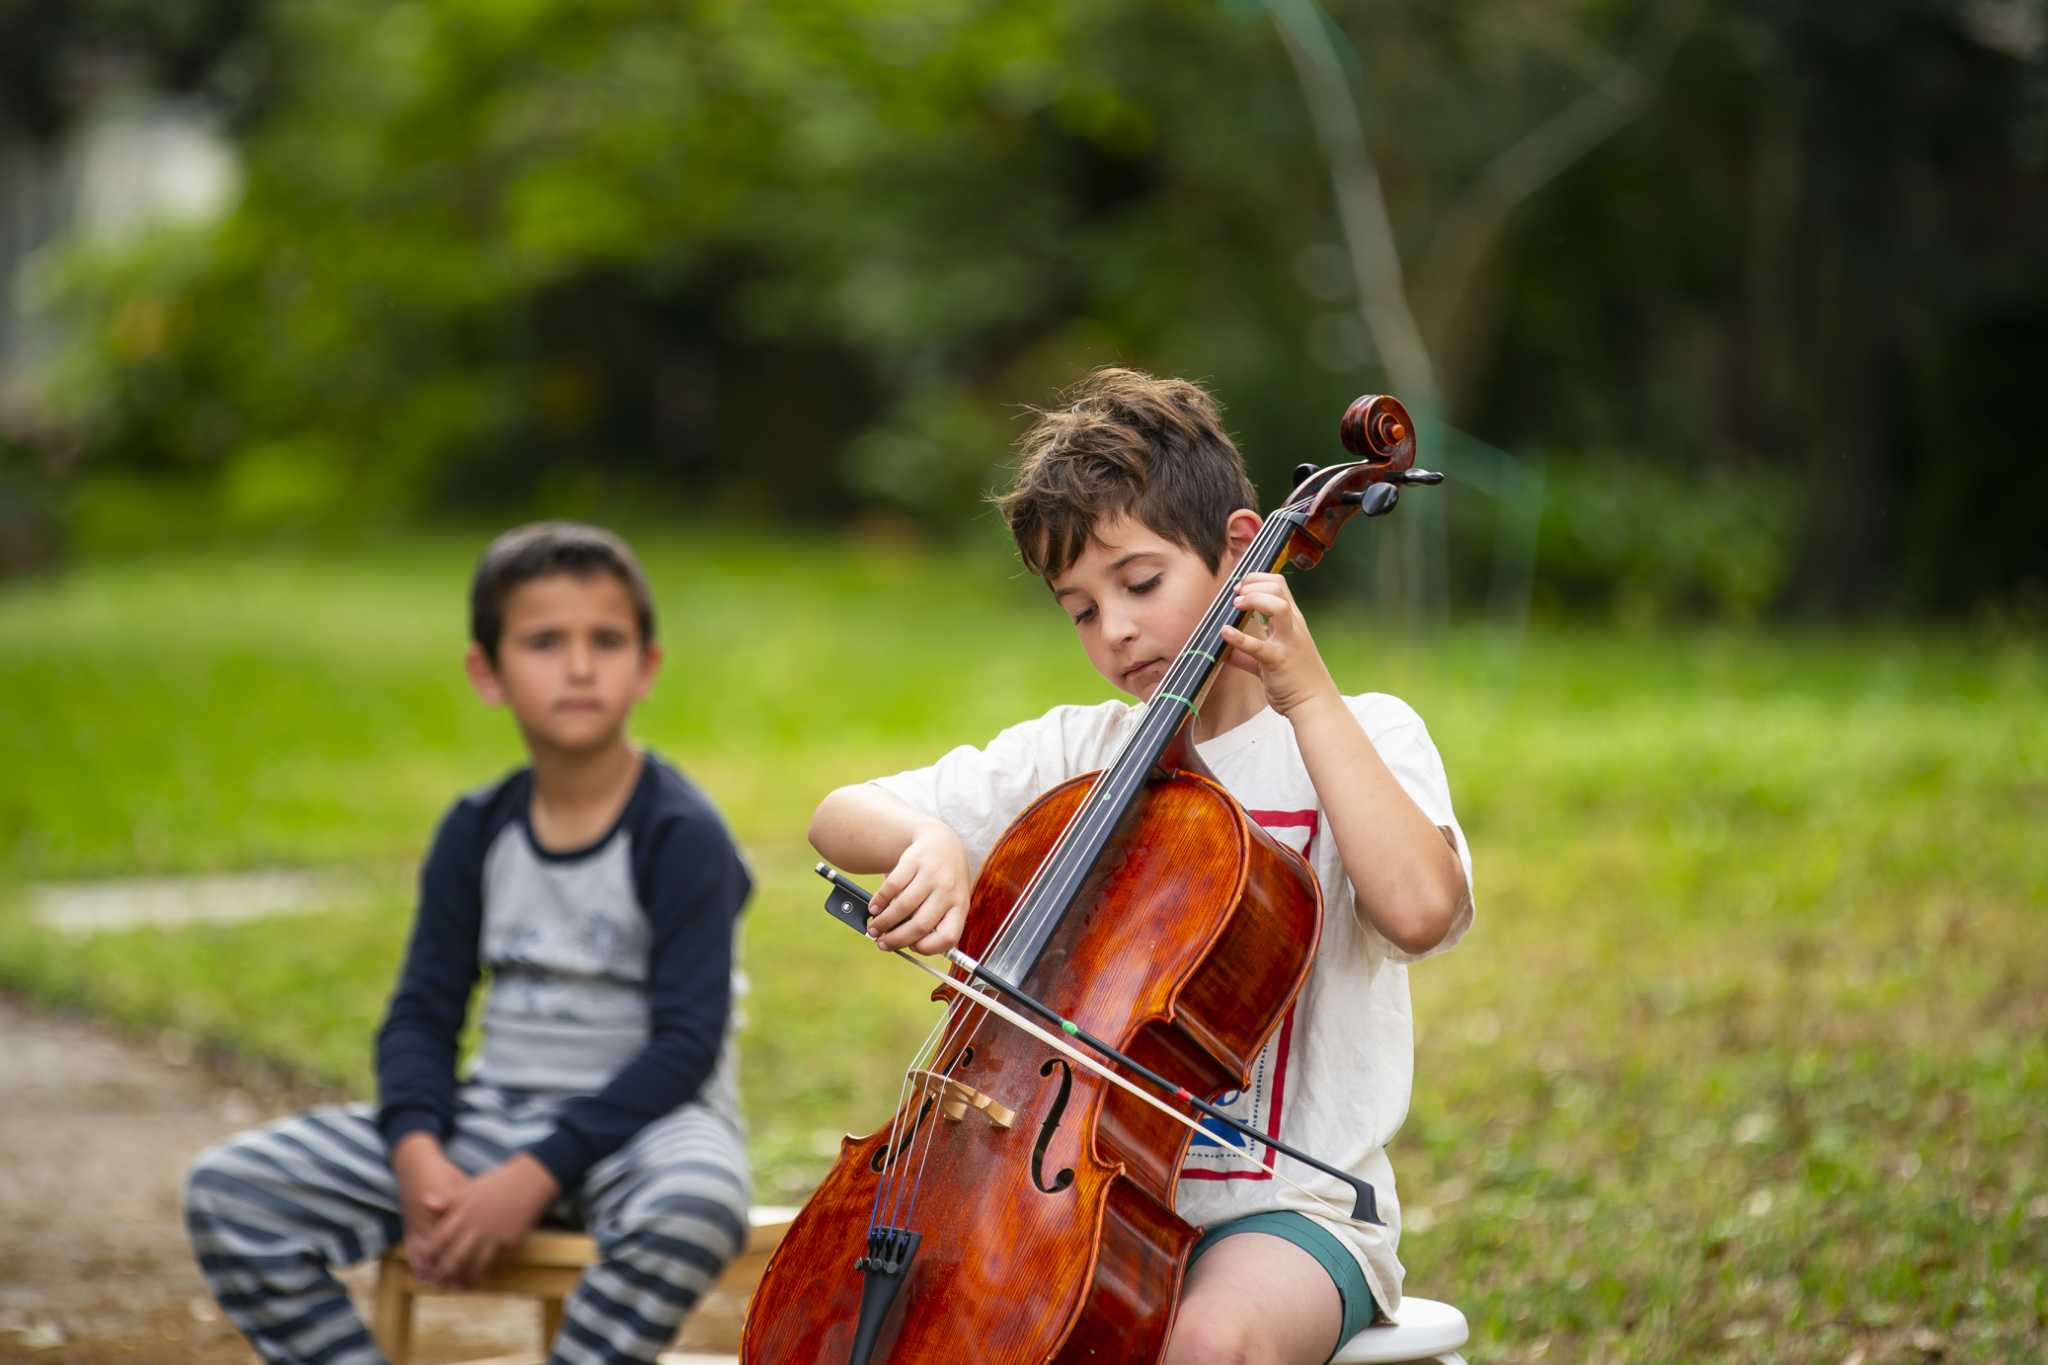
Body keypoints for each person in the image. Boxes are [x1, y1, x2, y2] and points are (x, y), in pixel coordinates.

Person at [808, 369, 1475, 1365]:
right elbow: (836, 815)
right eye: (1078, 609)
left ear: (1243, 546)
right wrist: (929, 842)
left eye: (1139, 583)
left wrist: (1305, 692)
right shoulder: (1078, 754)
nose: (1113, 628)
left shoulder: (1358, 735)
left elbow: (1421, 911)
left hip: (1282, 1214)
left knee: (1207, 1342)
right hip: (1058, 1195)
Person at [185, 522, 752, 1365]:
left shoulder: (681, 833)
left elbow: (686, 1044)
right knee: (231, 1191)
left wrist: (531, 1178)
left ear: (647, 666)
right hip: (493, 1117)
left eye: (607, 639)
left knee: (699, 1199)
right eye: (544, 641)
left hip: (651, 1128)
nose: (581, 665)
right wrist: (418, 1154)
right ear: (487, 672)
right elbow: (420, 1014)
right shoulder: (476, 831)